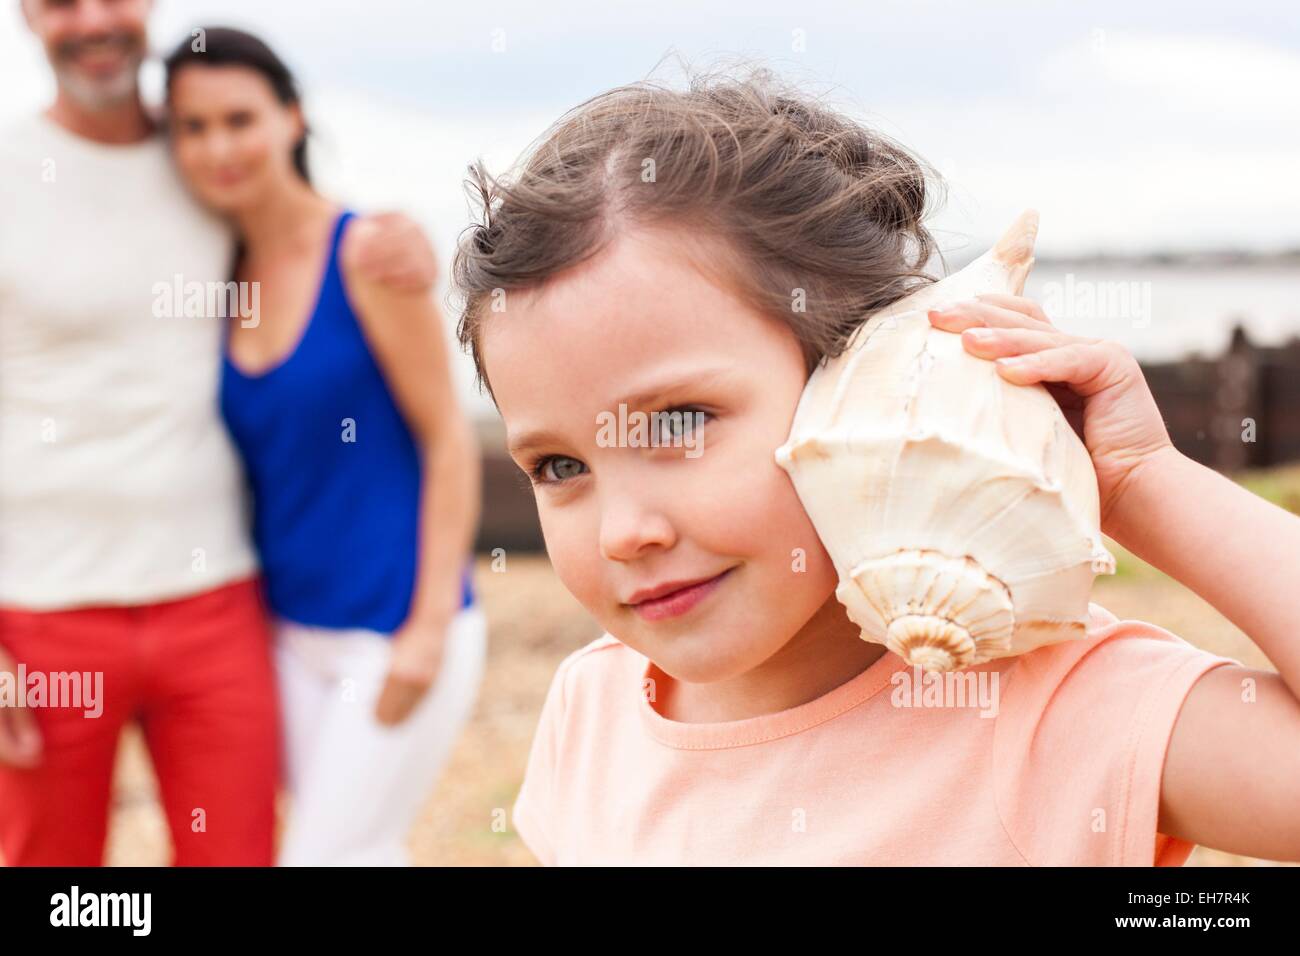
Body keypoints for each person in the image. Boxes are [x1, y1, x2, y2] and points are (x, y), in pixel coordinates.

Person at [451, 71, 1300, 865]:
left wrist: (1144, 482)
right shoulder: (591, 709)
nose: (625, 531)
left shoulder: (1053, 710)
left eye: (677, 424)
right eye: (558, 464)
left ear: (856, 379)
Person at [0, 0, 435, 866]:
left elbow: (303, 231)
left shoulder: (202, 155)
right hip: (38, 615)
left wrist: (403, 241)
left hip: (219, 600)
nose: (90, 20)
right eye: (58, 2)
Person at [164, 28, 486, 866]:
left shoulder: (368, 254)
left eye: (240, 118)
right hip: (282, 632)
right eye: (192, 128)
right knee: (355, 851)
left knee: (326, 857)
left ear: (292, 116)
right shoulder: (214, 270)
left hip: (395, 625)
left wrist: (425, 630)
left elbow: (448, 439)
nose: (218, 146)